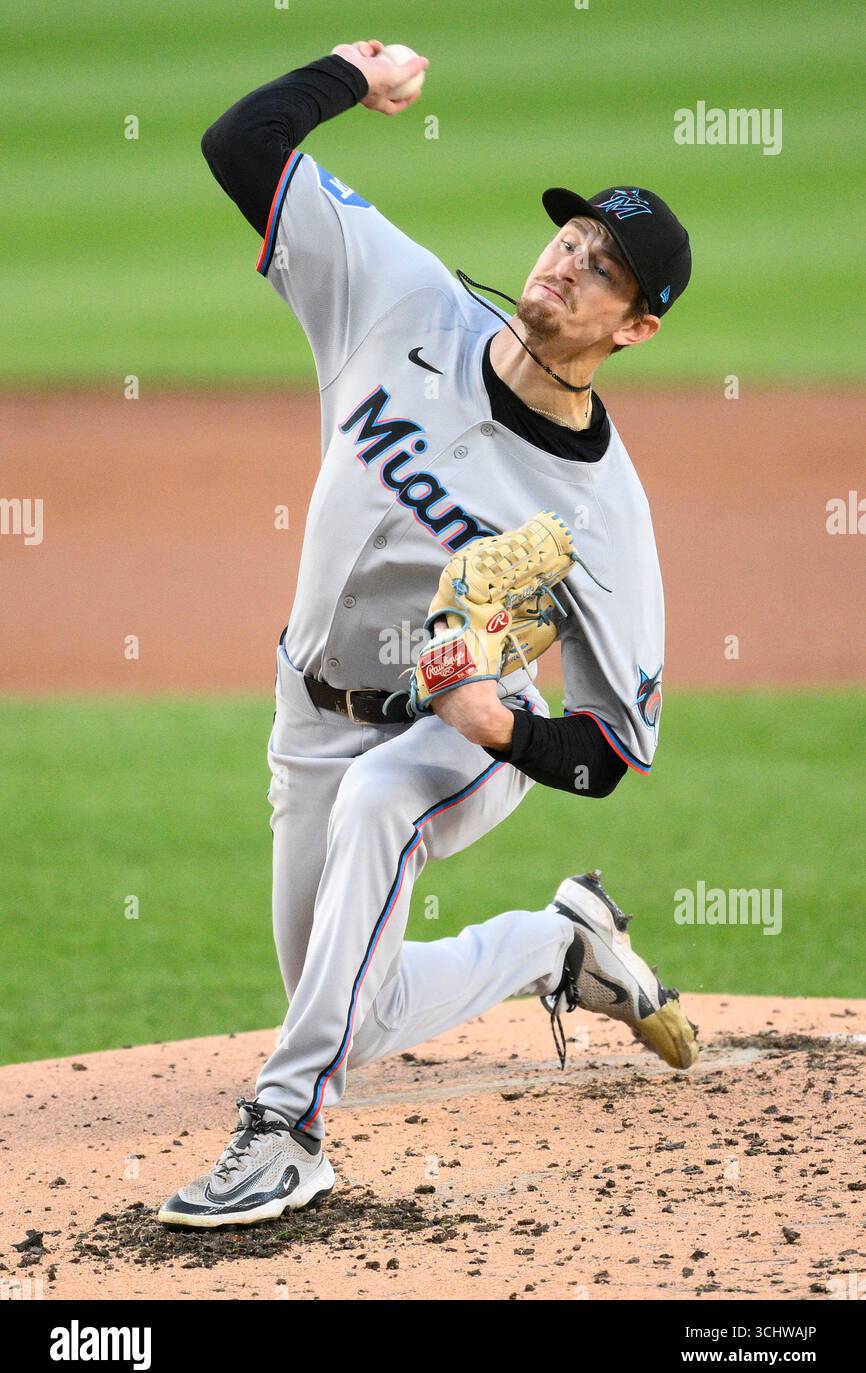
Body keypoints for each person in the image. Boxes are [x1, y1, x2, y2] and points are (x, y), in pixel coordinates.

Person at [158, 40, 697, 1228]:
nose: (566, 261)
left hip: (447, 741)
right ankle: (554, 946)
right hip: (307, 709)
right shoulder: (399, 294)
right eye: (568, 236)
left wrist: (489, 717)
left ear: (635, 328)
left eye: (602, 267)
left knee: (377, 810)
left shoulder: (599, 518)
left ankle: (284, 1131)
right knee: (357, 994)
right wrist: (353, 70)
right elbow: (239, 147)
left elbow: (614, 747)